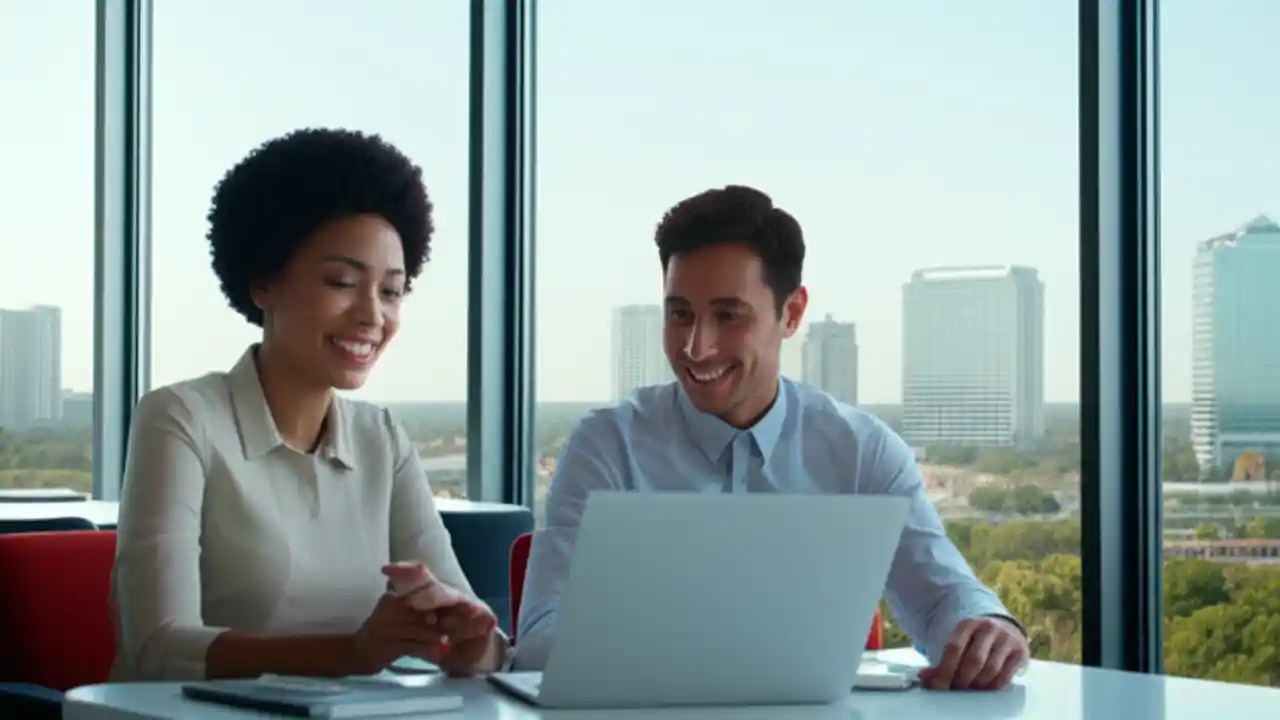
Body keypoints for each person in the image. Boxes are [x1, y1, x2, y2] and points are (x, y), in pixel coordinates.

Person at [514, 185, 1029, 690]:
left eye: (727, 315)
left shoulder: (862, 451)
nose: (696, 347)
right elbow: (537, 642)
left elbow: (943, 599)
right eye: (680, 315)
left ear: (793, 313)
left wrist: (989, 629)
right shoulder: (607, 447)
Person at [110, 128, 508, 681]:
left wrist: (471, 643)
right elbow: (157, 648)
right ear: (263, 282)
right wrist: (351, 653)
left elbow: (481, 637)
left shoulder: (382, 439)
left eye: (391, 291)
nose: (373, 315)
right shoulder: (182, 418)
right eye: (342, 282)